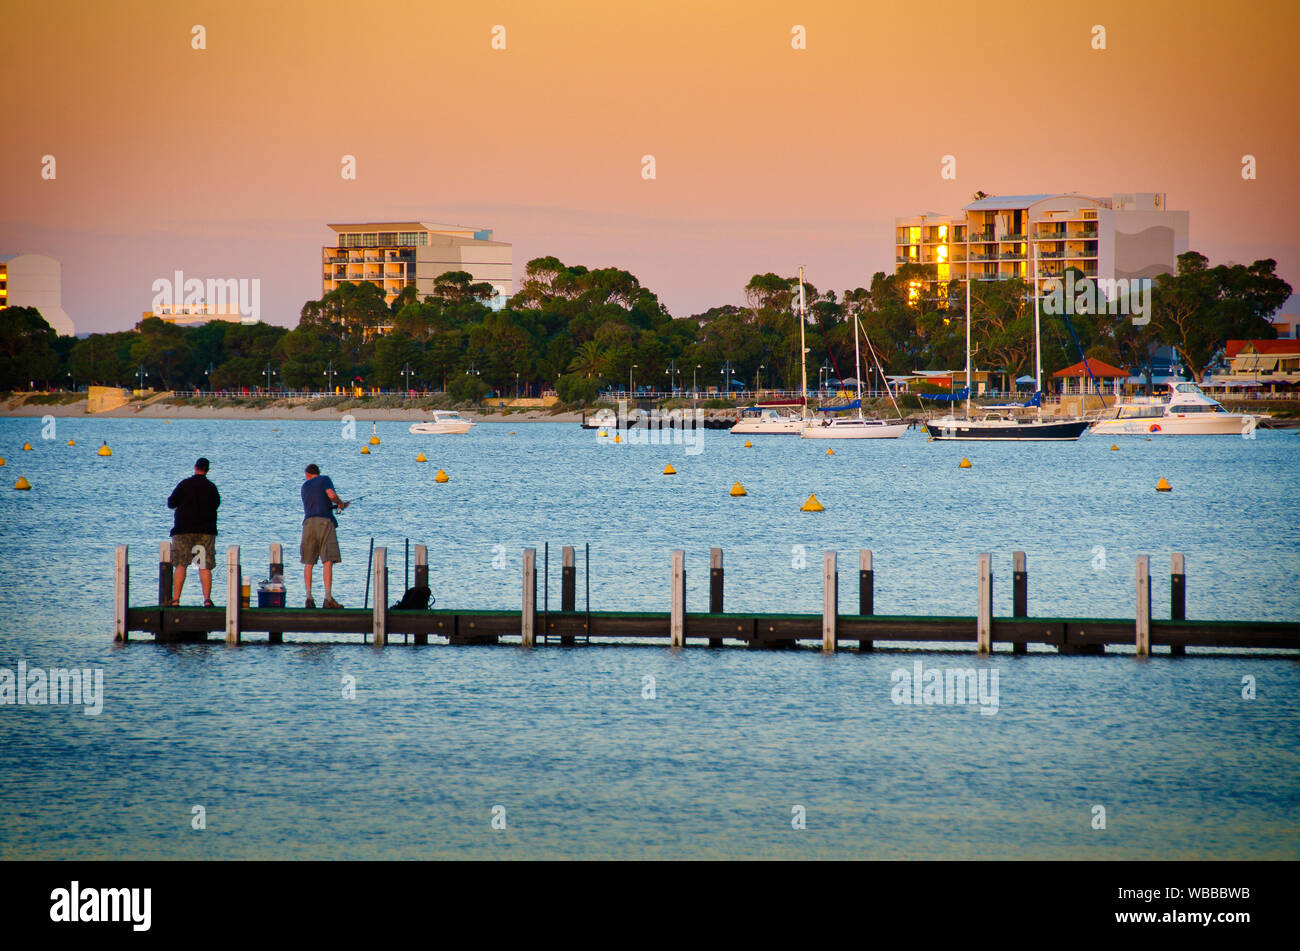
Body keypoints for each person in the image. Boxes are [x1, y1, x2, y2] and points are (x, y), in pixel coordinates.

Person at [168, 457, 220, 606]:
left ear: (195, 467)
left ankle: (176, 600)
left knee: (181, 564)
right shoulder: (211, 487)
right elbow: (216, 505)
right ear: (208, 470)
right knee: (204, 566)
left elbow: (171, 503)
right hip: (205, 532)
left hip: (183, 531)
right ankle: (207, 600)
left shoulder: (184, 485)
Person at [301, 463, 348, 608]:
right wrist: (340, 504)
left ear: (307, 474)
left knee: (308, 562)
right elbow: (331, 495)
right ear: (317, 473)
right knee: (327, 560)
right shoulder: (324, 479)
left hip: (308, 524)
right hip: (324, 523)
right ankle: (328, 598)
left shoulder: (305, 486)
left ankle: (308, 598)